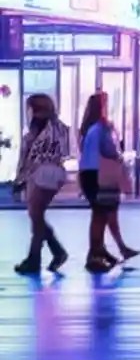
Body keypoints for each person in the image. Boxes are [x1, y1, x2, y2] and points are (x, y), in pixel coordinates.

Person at [78, 92, 139, 272]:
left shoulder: (88, 128)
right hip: (101, 174)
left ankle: (100, 251)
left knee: (101, 213)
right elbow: (110, 149)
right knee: (101, 214)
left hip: (88, 173)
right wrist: (118, 155)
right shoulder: (102, 128)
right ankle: (94, 256)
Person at [13, 94, 71, 275]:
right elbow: (66, 152)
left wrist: (18, 180)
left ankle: (37, 258)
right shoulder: (61, 128)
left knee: (36, 216)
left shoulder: (34, 132)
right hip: (56, 173)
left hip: (38, 173)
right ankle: (52, 252)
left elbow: (26, 159)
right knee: (37, 215)